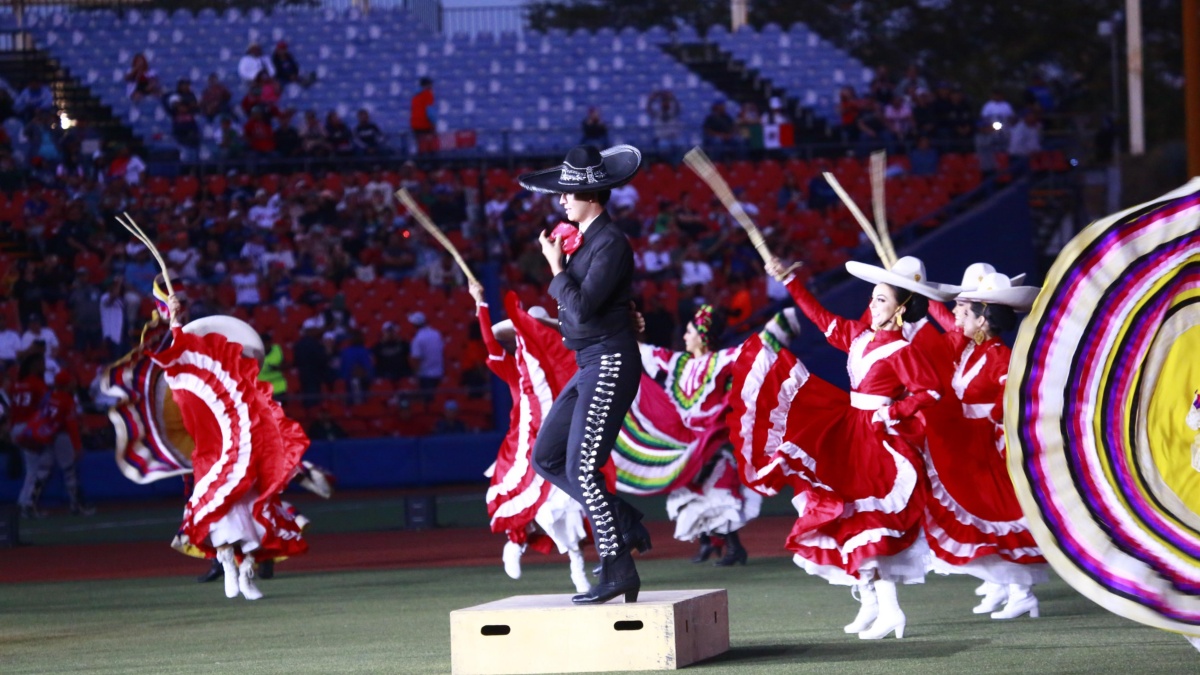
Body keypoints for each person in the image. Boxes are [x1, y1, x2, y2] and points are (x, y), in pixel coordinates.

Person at [738, 255, 945, 639]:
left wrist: (892, 412)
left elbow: (930, 390)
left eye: (881, 300)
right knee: (842, 514)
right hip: (848, 431)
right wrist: (790, 281)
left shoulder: (902, 350)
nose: (872, 304)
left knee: (867, 520)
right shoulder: (860, 336)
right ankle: (870, 602)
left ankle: (891, 610)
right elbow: (819, 317)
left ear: (901, 308)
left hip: (876, 441)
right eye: (873, 297)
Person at [521, 143, 649, 604]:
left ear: (592, 196)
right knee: (547, 457)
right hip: (591, 359)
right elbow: (586, 314)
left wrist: (555, 268)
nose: (561, 202)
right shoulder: (594, 242)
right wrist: (554, 320)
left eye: (567, 195)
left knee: (582, 466)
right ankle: (625, 520)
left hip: (610, 361)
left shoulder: (610, 241)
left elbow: (583, 305)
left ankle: (619, 571)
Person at [152, 293, 309, 600]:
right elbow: (179, 356)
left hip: (245, 459)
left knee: (255, 520)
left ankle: (247, 571)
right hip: (212, 457)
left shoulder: (244, 389)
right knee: (220, 517)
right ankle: (227, 566)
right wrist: (174, 320)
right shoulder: (192, 386)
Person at [619, 304, 800, 566]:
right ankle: (718, 545)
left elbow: (755, 349)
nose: (684, 337)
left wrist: (783, 321)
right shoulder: (678, 362)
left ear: (702, 337)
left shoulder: (722, 360)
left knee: (713, 492)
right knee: (694, 490)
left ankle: (728, 547)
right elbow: (643, 352)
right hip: (689, 441)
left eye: (689, 331)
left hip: (710, 440)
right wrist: (609, 332)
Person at [920, 267, 1050, 620]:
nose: (958, 318)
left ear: (982, 321)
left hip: (990, 445)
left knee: (1002, 512)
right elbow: (945, 320)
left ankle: (1021, 591)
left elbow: (1014, 401)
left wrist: (985, 421)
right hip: (969, 442)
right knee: (982, 516)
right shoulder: (970, 351)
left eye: (966, 312)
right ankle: (1004, 584)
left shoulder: (1000, 357)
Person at [468, 283, 595, 593]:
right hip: (521, 447)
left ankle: (578, 568)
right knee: (521, 497)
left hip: (558, 445)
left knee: (565, 506)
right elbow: (490, 344)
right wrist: (480, 304)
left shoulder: (565, 366)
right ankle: (516, 541)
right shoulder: (514, 369)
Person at [409, 311, 444, 401]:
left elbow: (416, 359)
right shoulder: (436, 334)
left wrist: (415, 374)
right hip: (439, 372)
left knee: (427, 401)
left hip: (425, 375)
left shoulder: (417, 339)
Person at [410, 77, 436, 154]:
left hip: (415, 124)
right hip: (425, 124)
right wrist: (433, 123)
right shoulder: (428, 94)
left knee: (420, 147)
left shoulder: (415, 96)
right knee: (429, 148)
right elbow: (430, 111)